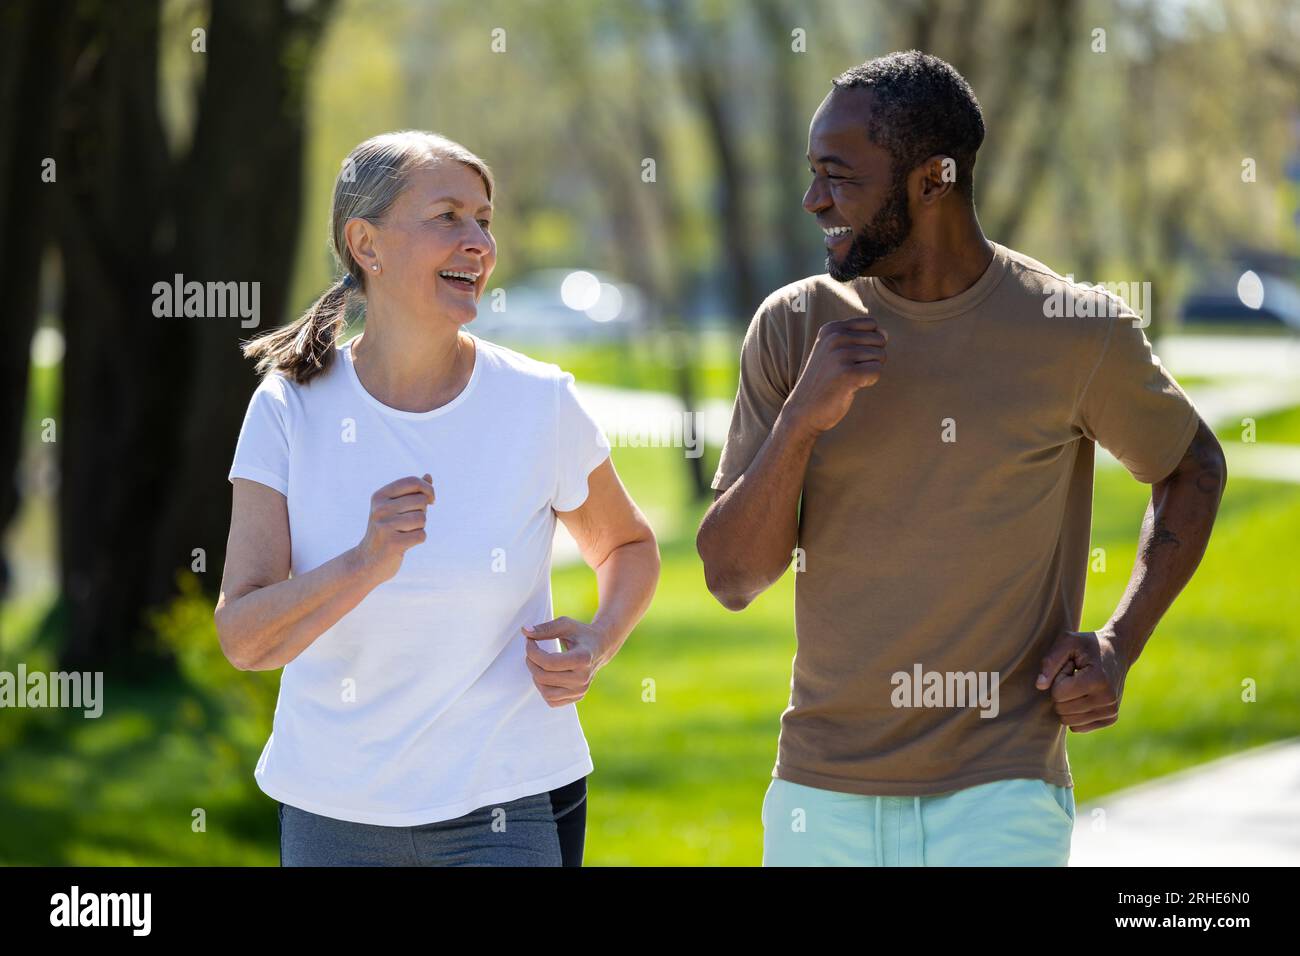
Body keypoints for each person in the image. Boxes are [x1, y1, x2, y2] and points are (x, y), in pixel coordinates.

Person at [696, 51, 1227, 866]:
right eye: (812, 174)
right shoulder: (792, 326)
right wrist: (801, 420)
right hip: (818, 798)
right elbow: (733, 578)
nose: (813, 200)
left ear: (934, 179)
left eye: (838, 176)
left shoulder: (1071, 327)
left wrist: (1120, 642)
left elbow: (1191, 466)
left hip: (1000, 796)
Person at [215, 130, 660, 866]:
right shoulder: (288, 407)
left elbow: (627, 545)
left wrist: (600, 639)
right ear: (367, 243)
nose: (479, 242)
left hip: (508, 802)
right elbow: (245, 635)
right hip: (334, 811)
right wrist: (364, 562)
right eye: (448, 216)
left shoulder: (537, 402)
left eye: (484, 219)